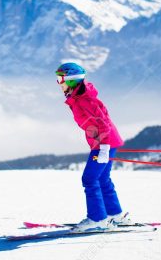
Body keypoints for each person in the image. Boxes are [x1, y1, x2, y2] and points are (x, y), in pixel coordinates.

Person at [55, 63, 132, 232]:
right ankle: (115, 215)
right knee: (102, 179)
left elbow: (103, 122)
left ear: (72, 80)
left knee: (89, 179)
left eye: (61, 79)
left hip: (104, 143)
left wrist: (103, 147)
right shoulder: (78, 97)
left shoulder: (85, 99)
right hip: (104, 142)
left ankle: (97, 219)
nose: (59, 83)